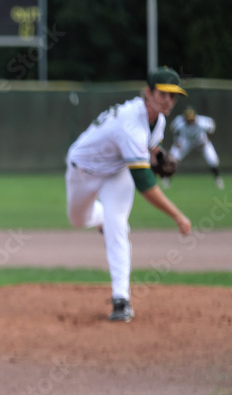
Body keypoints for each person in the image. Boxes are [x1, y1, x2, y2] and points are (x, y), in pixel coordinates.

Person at [65, 66, 193, 323]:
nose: (168, 100)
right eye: (163, 93)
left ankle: (121, 299)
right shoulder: (130, 124)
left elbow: (151, 144)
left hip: (116, 173)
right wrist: (178, 216)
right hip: (83, 171)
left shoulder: (159, 119)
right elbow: (146, 185)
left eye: (173, 95)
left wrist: (157, 154)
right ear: (148, 92)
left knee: (118, 226)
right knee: (78, 220)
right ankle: (100, 218)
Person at [166, 107, 223, 189]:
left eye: (192, 119)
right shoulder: (179, 122)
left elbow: (212, 128)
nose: (191, 121)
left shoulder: (202, 122)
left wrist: (206, 140)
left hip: (200, 139)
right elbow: (174, 131)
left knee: (212, 159)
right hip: (185, 140)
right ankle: (167, 178)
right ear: (185, 118)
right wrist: (177, 142)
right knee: (173, 157)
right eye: (189, 119)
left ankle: (218, 179)